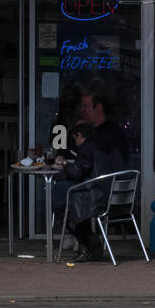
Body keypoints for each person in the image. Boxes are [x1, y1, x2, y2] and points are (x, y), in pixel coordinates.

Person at [54, 122, 124, 261]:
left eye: (75, 139)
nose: (75, 142)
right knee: (69, 200)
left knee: (64, 203)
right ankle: (92, 247)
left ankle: (88, 247)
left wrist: (64, 164)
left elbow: (77, 172)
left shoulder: (86, 148)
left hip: (96, 197)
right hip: (111, 195)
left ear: (79, 136)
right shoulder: (102, 147)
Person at [79, 89, 128, 165]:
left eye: (85, 106)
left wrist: (83, 145)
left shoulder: (109, 135)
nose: (82, 110)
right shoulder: (111, 131)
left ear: (98, 107)